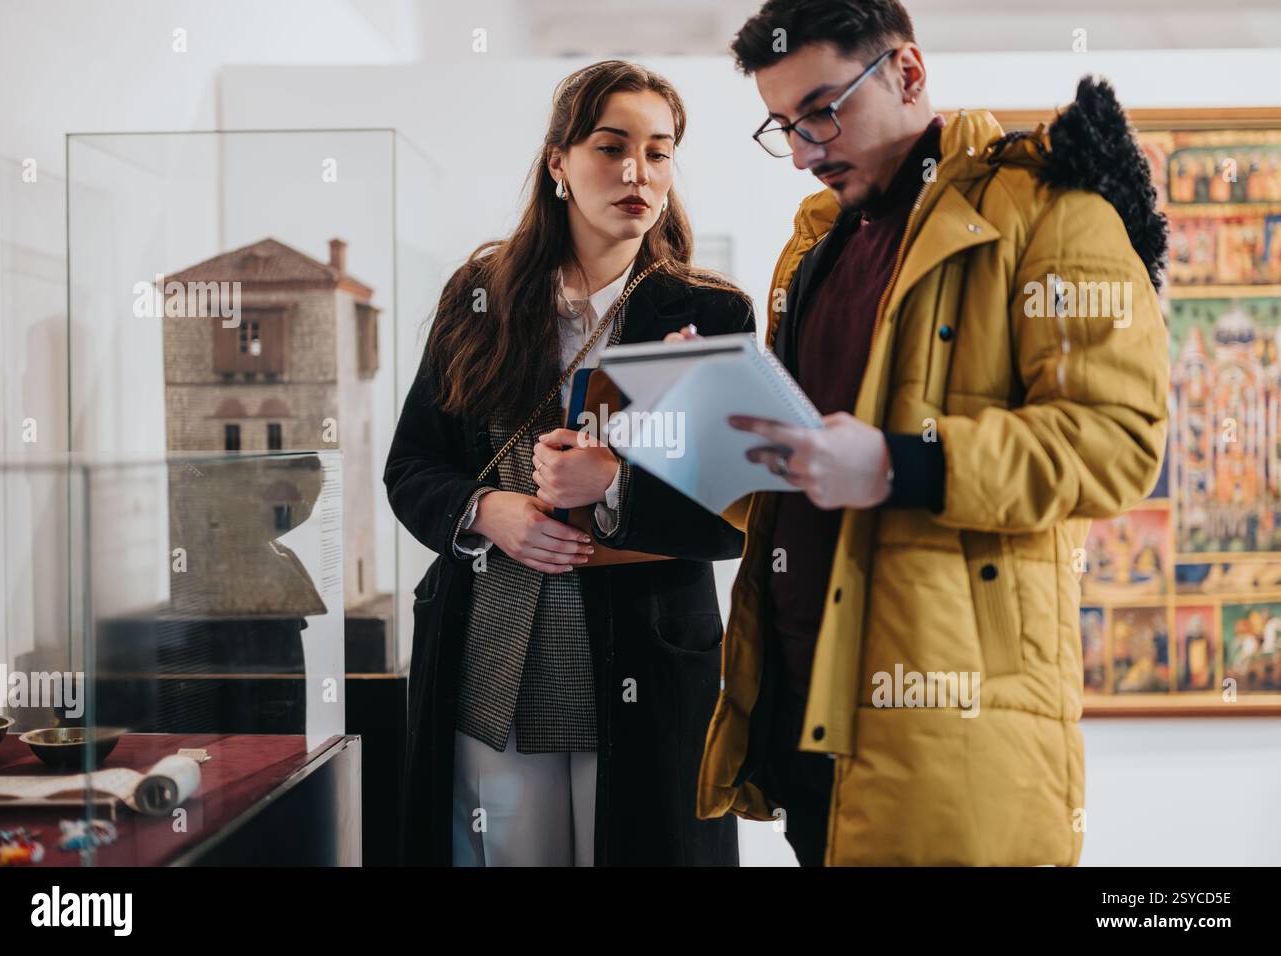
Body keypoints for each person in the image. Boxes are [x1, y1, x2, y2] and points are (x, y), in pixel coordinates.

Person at [690, 0, 1171, 865]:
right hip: (802, 720)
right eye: (784, 126)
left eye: (824, 110)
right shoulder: (815, 248)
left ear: (908, 73)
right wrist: (711, 426)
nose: (805, 150)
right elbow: (805, 471)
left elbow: (1118, 442)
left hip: (954, 737)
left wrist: (899, 466)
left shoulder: (1052, 209)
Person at [385, 59, 755, 866]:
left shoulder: (707, 309)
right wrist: (487, 512)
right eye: (610, 146)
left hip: (641, 649)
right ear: (558, 162)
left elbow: (735, 515)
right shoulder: (479, 295)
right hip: (492, 646)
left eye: (659, 152)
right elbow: (411, 466)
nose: (636, 172)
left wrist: (615, 484)